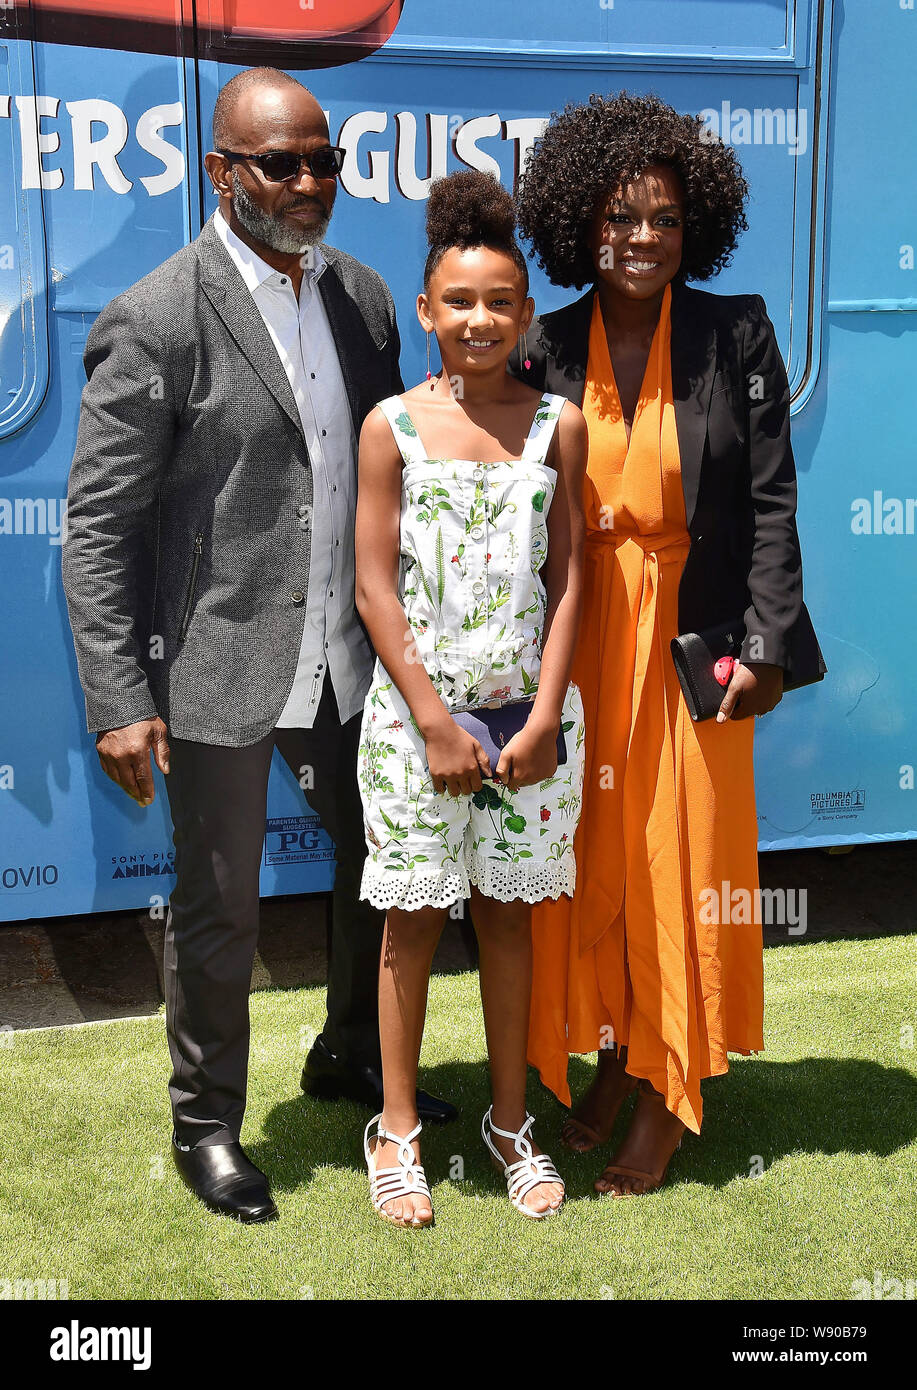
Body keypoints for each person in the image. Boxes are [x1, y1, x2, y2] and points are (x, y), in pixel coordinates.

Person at [61, 66, 453, 1226]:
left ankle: (344, 1053)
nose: (307, 182)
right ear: (220, 171)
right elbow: (99, 525)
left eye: (323, 160)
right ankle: (207, 1126)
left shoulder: (367, 299)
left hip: (354, 654)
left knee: (380, 869)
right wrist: (118, 695)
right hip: (222, 662)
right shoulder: (159, 314)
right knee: (220, 906)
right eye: (278, 162)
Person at [510, 92, 824, 1195]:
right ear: (574, 222)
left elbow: (773, 500)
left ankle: (664, 1092)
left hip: (694, 641)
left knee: (677, 866)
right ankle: (611, 1054)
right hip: (578, 636)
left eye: (664, 220)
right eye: (618, 216)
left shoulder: (734, 332)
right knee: (589, 862)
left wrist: (766, 643)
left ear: (696, 231)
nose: (642, 237)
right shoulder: (541, 346)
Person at [354, 170, 588, 1226]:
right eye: (459, 300)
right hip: (417, 727)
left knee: (505, 920)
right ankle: (395, 1130)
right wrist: (435, 723)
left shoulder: (557, 427)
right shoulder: (390, 427)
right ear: (425, 309)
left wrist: (541, 715)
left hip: (524, 723)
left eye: (500, 300)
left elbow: (571, 575)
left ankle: (508, 1125)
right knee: (408, 925)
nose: (480, 319)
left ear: (525, 312)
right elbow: (369, 584)